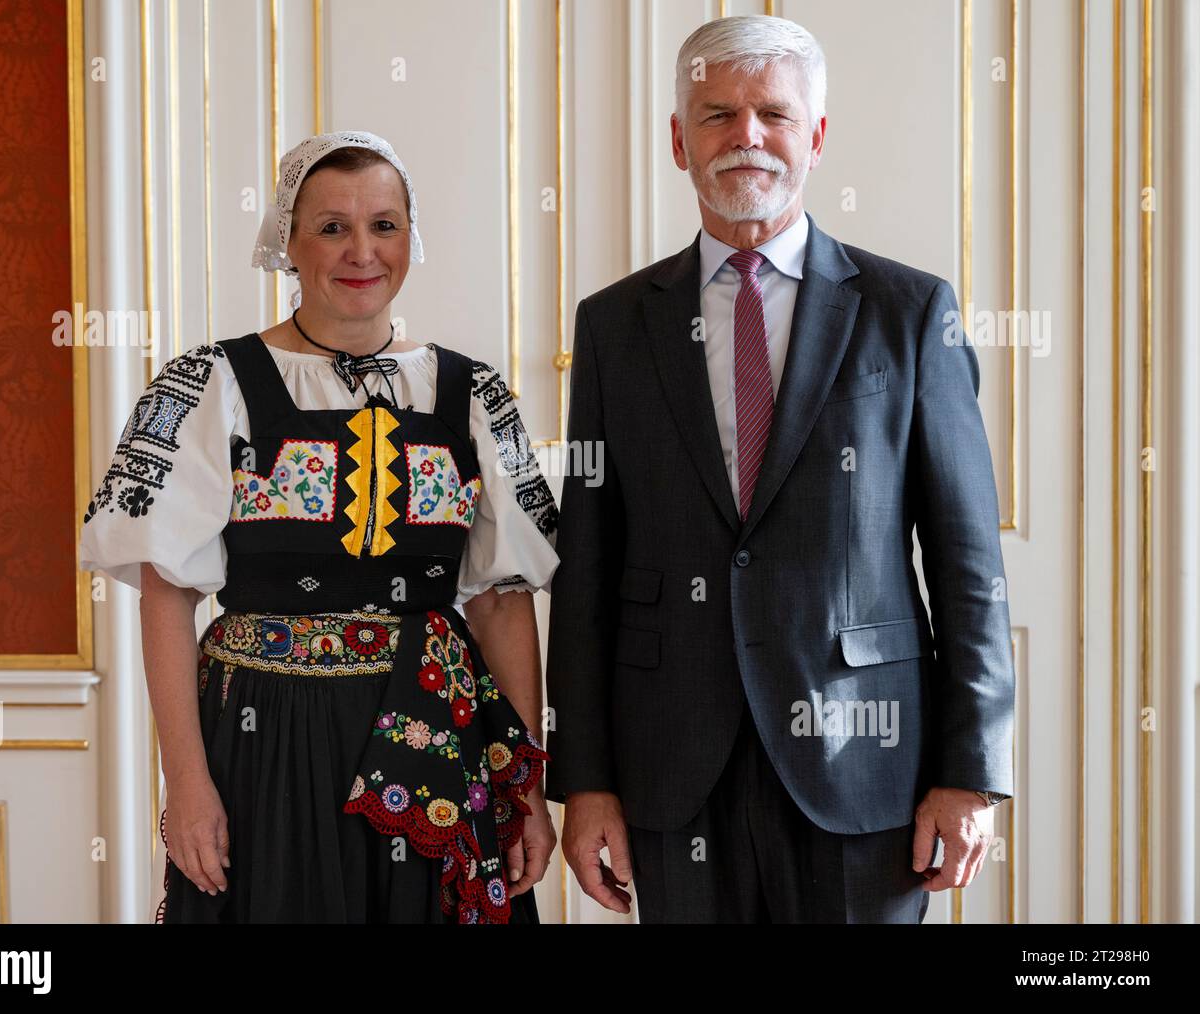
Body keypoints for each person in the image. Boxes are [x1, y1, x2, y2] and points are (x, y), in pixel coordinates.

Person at [545, 16, 1014, 923]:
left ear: (818, 137)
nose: (746, 136)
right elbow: (589, 568)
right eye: (717, 114)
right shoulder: (613, 325)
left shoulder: (909, 312)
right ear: (679, 140)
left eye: (773, 113)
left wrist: (973, 773)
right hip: (671, 769)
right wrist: (588, 782)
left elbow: (967, 563)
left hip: (865, 767)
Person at [81, 131, 559, 923]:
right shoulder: (213, 384)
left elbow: (503, 601)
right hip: (267, 737)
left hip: (438, 731)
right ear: (288, 243)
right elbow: (166, 597)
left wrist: (528, 794)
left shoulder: (474, 394)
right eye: (332, 227)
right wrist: (187, 786)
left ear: (411, 237)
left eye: (384, 224)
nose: (361, 251)